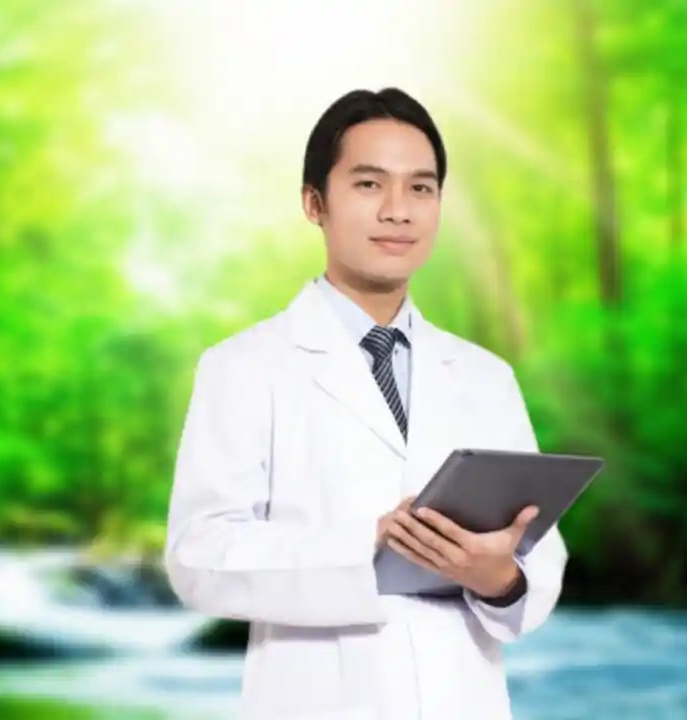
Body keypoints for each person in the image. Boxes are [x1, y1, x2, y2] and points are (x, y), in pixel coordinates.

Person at [163, 87, 568, 719]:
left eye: (421, 188)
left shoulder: (485, 376)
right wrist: (368, 546)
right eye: (369, 185)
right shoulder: (242, 368)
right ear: (314, 203)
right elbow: (199, 557)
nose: (399, 211)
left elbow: (539, 553)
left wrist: (502, 581)